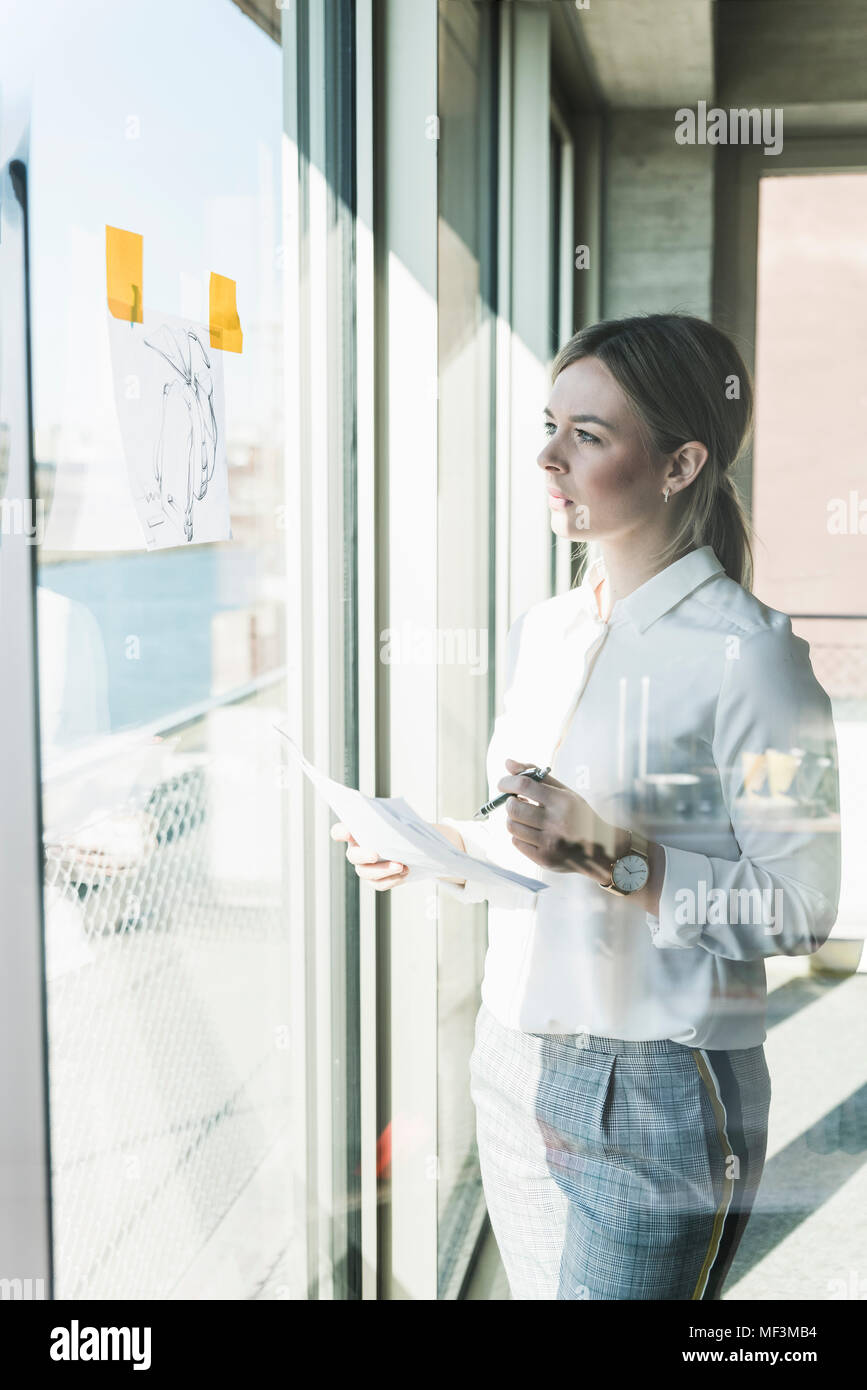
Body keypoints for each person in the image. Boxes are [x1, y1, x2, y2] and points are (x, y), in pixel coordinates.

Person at [332, 312, 842, 1300]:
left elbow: (800, 908)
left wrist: (613, 853)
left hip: (657, 1088)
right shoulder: (549, 630)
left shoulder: (758, 658)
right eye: (548, 424)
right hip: (512, 1053)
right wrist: (440, 842)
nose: (547, 456)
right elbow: (539, 841)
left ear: (681, 462)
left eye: (588, 435)